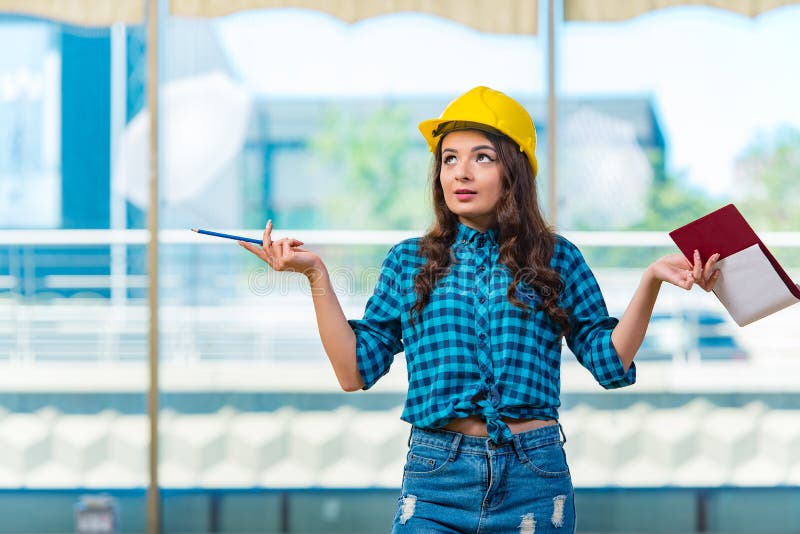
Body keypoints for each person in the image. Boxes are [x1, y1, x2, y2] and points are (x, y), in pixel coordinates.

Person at [239, 86, 720, 533]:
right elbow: (353, 371)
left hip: (534, 478)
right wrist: (316, 274)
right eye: (449, 158)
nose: (460, 172)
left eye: (482, 157)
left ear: (514, 172)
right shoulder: (408, 261)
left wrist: (651, 281)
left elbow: (610, 364)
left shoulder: (557, 258)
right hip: (436, 480)